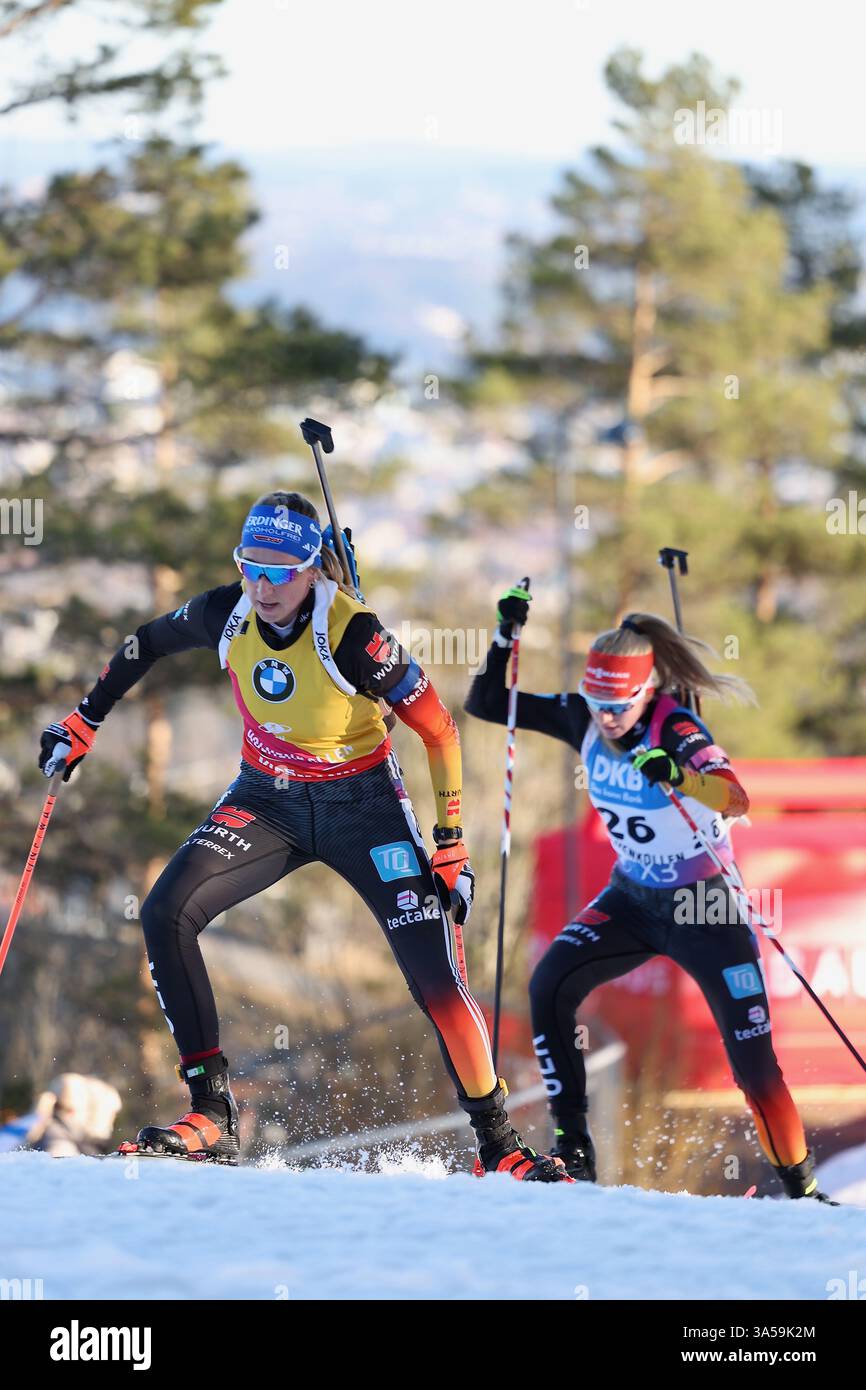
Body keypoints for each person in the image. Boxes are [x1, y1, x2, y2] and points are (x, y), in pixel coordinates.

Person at [39, 497, 570, 1181]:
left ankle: (499, 1146)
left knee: (436, 983)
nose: (262, 589)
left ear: (313, 570)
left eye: (280, 574)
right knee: (165, 912)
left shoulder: (354, 633)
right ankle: (212, 1114)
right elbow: (146, 642)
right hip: (268, 798)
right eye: (250, 569)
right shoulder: (227, 613)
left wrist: (450, 840)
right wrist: (85, 720)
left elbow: (438, 730)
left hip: (364, 807)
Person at [464, 582, 835, 1201]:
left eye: (620, 702)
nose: (607, 715)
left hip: (704, 904)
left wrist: (680, 774)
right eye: (597, 699)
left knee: (754, 1064)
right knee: (548, 984)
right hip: (633, 898)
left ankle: (802, 1192)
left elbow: (735, 795)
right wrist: (506, 636)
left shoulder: (676, 724)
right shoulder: (584, 714)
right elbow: (486, 702)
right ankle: (575, 1155)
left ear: (647, 691)